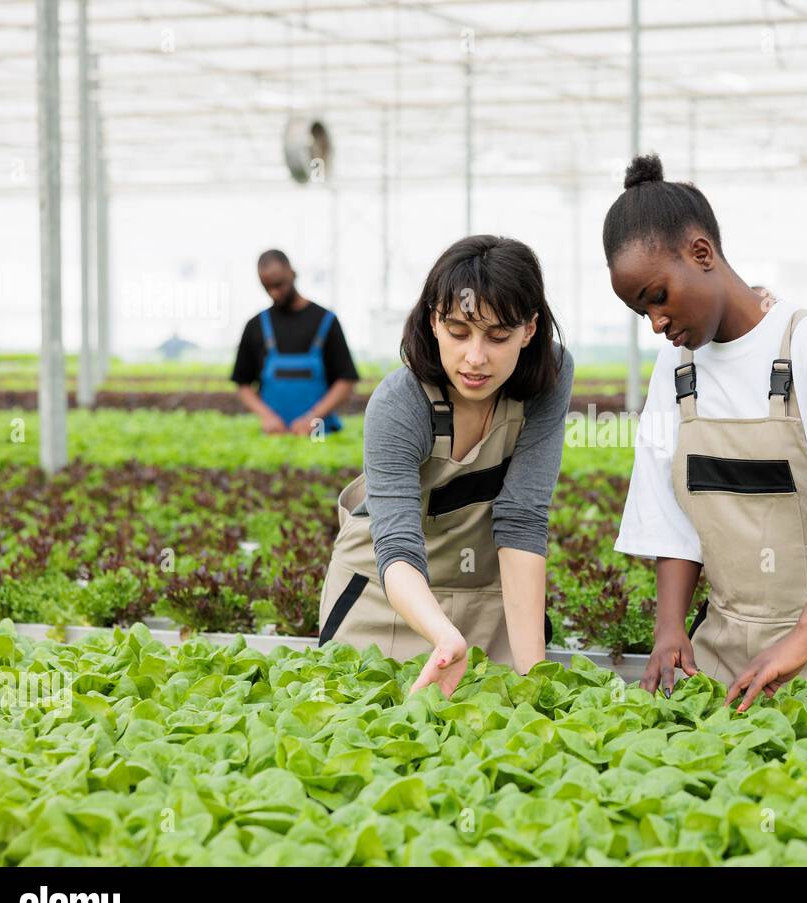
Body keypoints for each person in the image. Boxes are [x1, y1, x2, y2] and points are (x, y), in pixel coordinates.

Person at [605, 154, 807, 711]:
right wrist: (669, 629)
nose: (656, 323)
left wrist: (802, 638)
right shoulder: (677, 368)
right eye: (641, 312)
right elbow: (670, 518)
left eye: (657, 296)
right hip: (728, 651)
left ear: (701, 253)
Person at [318, 235, 574, 696]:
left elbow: (522, 518)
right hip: (386, 596)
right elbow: (396, 545)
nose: (475, 358)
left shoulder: (549, 378)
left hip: (485, 600)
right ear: (433, 321)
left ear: (530, 331)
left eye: (498, 337)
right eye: (458, 332)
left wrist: (537, 681)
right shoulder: (400, 404)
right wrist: (441, 634)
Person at [231, 249, 359, 435]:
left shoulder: (326, 321)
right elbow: (242, 384)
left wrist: (313, 418)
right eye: (267, 287)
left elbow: (346, 382)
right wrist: (267, 416)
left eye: (279, 284)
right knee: (273, 463)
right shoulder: (255, 326)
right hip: (274, 433)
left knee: (318, 463)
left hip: (319, 431)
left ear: (292, 273)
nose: (275, 293)